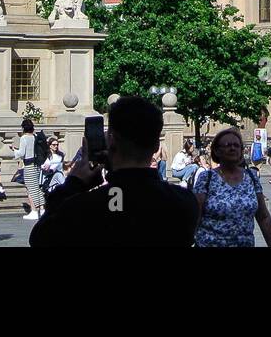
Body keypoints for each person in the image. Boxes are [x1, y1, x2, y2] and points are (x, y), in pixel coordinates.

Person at [29, 97, 199, 247]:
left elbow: (40, 238)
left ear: (110, 140)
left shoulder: (87, 206)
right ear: (156, 146)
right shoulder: (184, 202)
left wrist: (74, 183)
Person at [192, 127, 271, 247]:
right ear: (217, 151)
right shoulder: (206, 178)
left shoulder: (251, 177)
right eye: (227, 145)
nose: (232, 148)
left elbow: (263, 216)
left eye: (236, 145)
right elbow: (196, 214)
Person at [16, 119, 43, 221]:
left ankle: (34, 210)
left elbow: (22, 153)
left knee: (30, 188)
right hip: (37, 164)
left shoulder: (24, 138)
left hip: (28, 164)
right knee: (37, 187)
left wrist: (14, 151)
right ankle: (42, 208)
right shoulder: (35, 137)